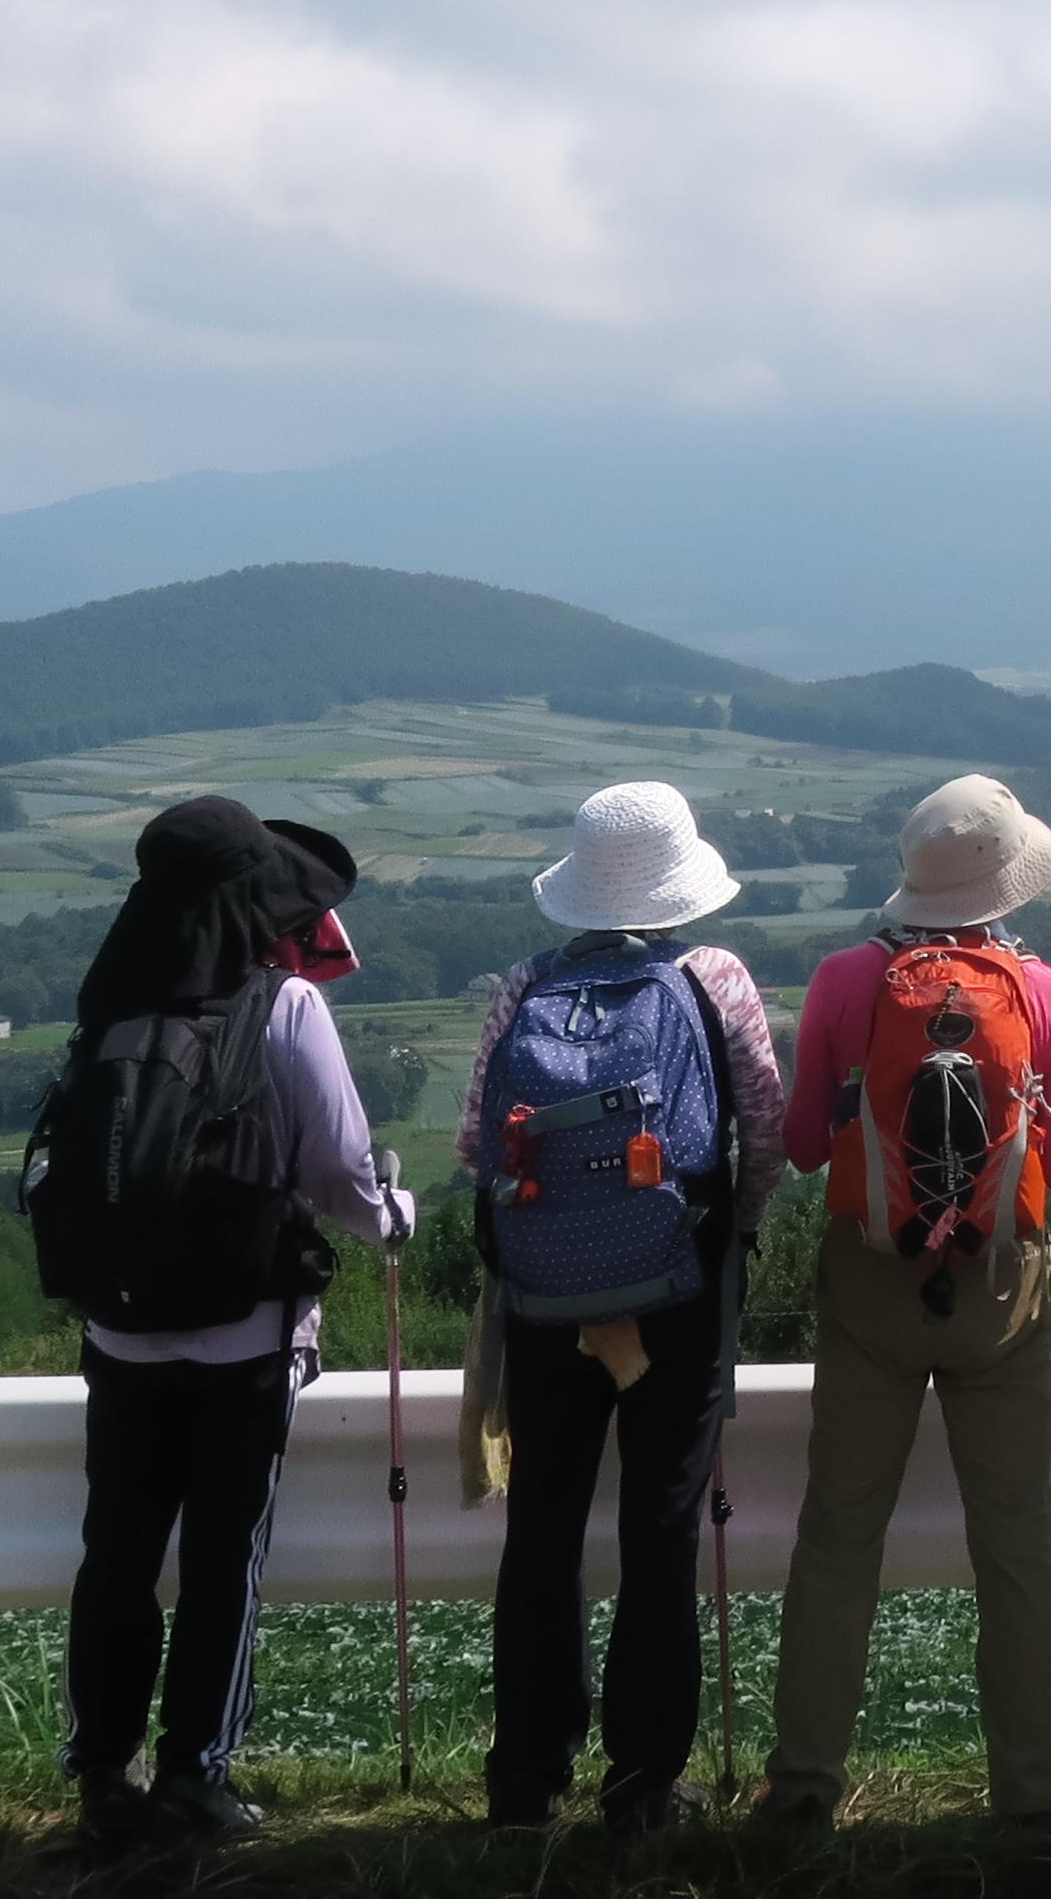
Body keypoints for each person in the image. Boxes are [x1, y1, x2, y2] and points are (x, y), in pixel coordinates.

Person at [40, 795, 414, 1848]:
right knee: (220, 1562)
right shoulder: (282, 1008)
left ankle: (101, 1779)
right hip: (246, 1339)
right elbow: (340, 1176)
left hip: (119, 1334)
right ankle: (196, 1776)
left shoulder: (110, 1006)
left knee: (114, 1554)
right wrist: (398, 1215)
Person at [761, 775, 1051, 1825]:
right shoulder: (1045, 994)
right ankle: (1035, 1797)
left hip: (870, 1280)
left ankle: (806, 1789)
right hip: (1002, 1286)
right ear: (1005, 883)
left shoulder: (841, 981)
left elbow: (805, 1145)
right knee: (1017, 1542)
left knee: (837, 1539)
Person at [460, 779, 790, 1836]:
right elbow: (769, 1132)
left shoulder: (526, 984)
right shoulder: (711, 976)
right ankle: (646, 1782)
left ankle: (524, 1777)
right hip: (674, 1288)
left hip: (546, 1289)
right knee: (660, 1526)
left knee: (545, 1525)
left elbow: (477, 1148)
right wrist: (727, 1232)